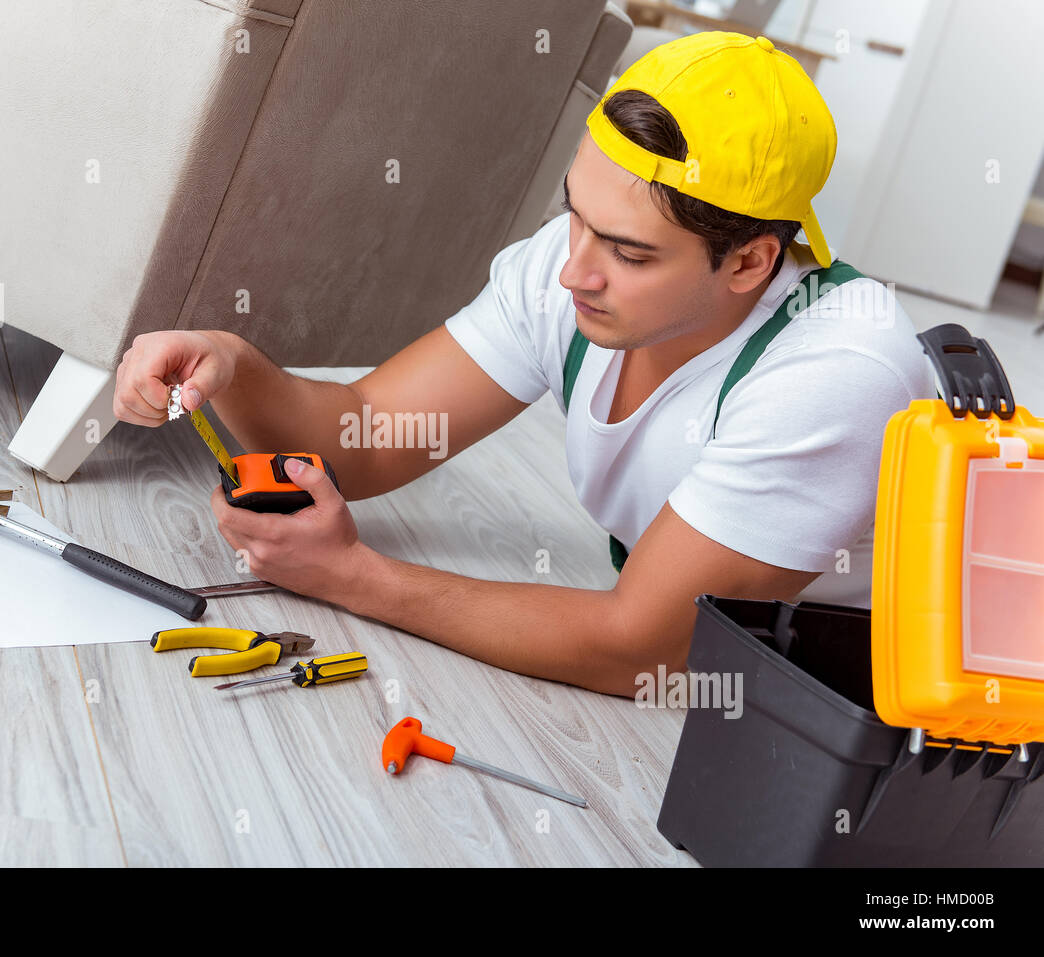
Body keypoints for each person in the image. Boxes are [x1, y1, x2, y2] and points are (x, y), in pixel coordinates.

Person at [112, 32, 933, 697]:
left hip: (879, 699)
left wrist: (354, 577)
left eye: (629, 253)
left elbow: (640, 649)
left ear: (750, 263)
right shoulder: (570, 270)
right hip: (721, 660)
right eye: (576, 215)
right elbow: (365, 437)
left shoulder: (836, 371)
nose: (573, 269)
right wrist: (233, 362)